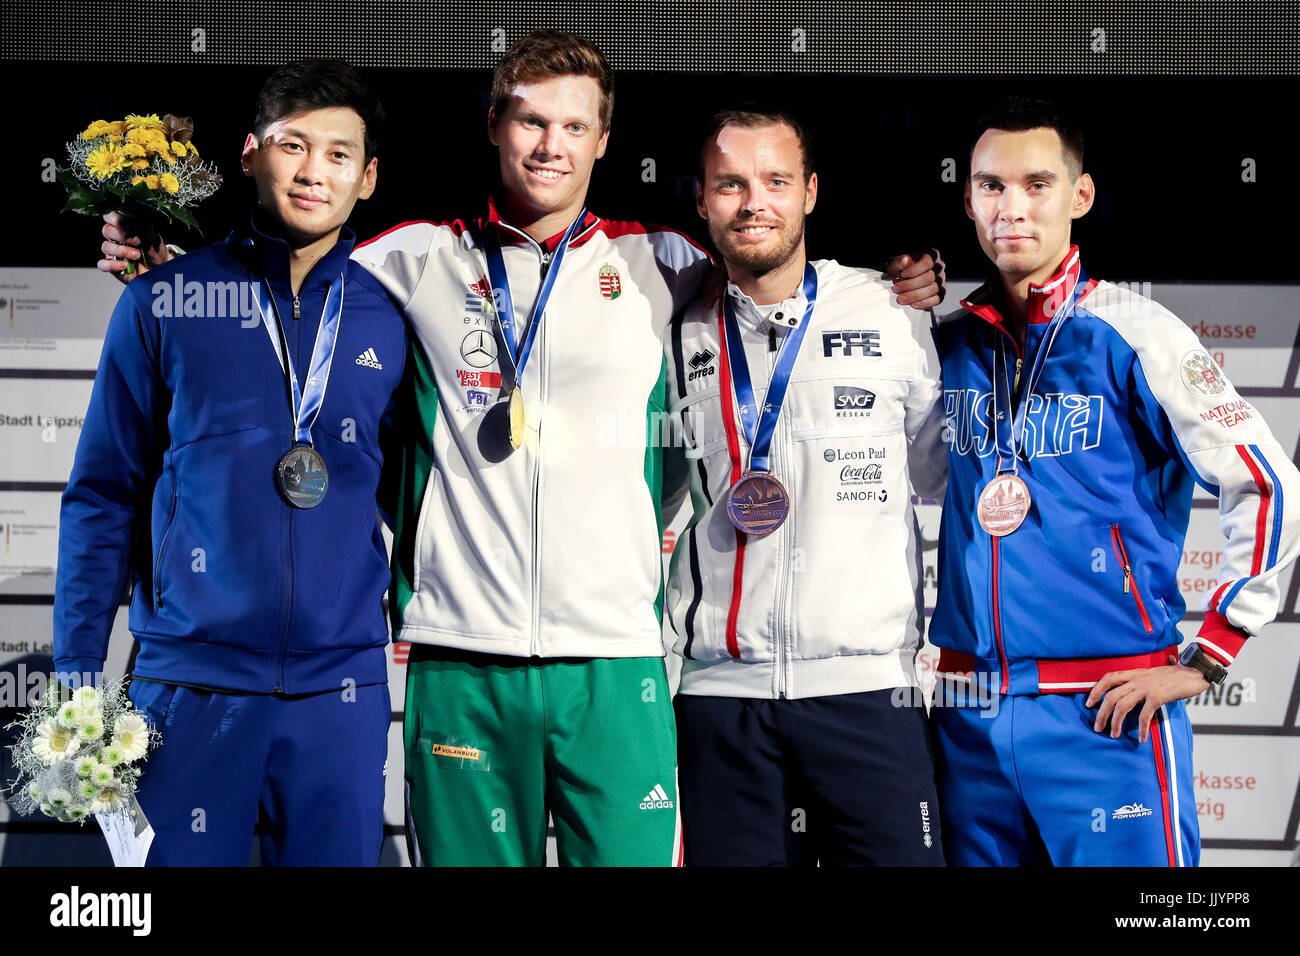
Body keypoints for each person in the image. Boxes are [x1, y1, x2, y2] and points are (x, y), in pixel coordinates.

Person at [99, 30, 944, 867]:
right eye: (532, 121)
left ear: (604, 141)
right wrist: (173, 264)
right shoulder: (414, 258)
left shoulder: (662, 263)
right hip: (461, 658)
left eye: (575, 127)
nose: (551, 146)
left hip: (615, 664)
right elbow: (291, 267)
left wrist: (899, 284)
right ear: (496, 125)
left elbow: (776, 268)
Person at [928, 96, 1300, 866]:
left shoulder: (1138, 332)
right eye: (991, 187)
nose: (1011, 209)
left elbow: (1267, 483)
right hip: (966, 715)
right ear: (968, 199)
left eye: (1036, 185)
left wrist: (1210, 655)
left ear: (1080, 196)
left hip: (1105, 714)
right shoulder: (948, 342)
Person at [56, 59, 406, 865]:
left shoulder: (390, 317)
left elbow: (416, 491)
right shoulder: (165, 302)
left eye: (340, 153)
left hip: (339, 692)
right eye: (293, 144)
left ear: (369, 177)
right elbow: (104, 494)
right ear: (250, 154)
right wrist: (78, 671)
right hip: (188, 685)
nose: (314, 170)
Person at [663, 106, 947, 866]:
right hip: (720, 695)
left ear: (811, 193)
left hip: (866, 690)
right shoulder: (673, 324)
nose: (754, 202)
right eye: (731, 184)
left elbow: (942, 471)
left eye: (776, 181)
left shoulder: (889, 309)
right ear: (702, 201)